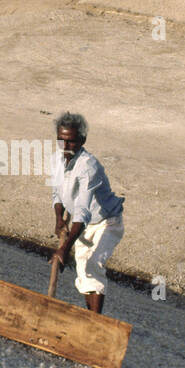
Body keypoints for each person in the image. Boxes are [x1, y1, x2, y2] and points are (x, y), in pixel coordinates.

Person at [49, 112, 124, 315]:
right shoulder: (57, 159)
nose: (65, 147)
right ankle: (90, 317)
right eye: (61, 140)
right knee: (83, 271)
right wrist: (59, 219)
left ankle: (95, 322)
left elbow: (82, 211)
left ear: (82, 140)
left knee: (92, 265)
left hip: (106, 222)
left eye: (71, 142)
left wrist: (65, 247)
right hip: (80, 224)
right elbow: (57, 192)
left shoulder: (88, 167)